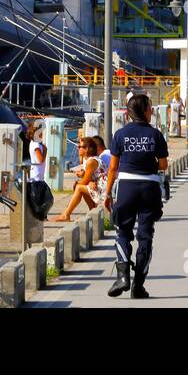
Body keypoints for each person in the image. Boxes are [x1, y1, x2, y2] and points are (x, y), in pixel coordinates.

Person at [104, 93, 169, 299]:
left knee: (123, 232)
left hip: (126, 187)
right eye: (150, 108)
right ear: (145, 110)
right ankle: (138, 285)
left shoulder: (120, 134)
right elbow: (163, 164)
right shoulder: (156, 135)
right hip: (149, 187)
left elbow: (113, 167)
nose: (151, 111)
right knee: (145, 237)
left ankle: (123, 276)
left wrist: (107, 193)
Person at [56, 137, 102, 221]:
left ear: (87, 149)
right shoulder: (86, 159)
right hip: (96, 185)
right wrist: (83, 174)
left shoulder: (92, 161)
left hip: (101, 188)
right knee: (81, 188)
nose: (78, 148)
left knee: (79, 187)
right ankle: (92, 212)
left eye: (79, 147)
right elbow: (88, 176)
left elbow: (85, 181)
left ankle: (66, 214)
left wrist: (77, 183)